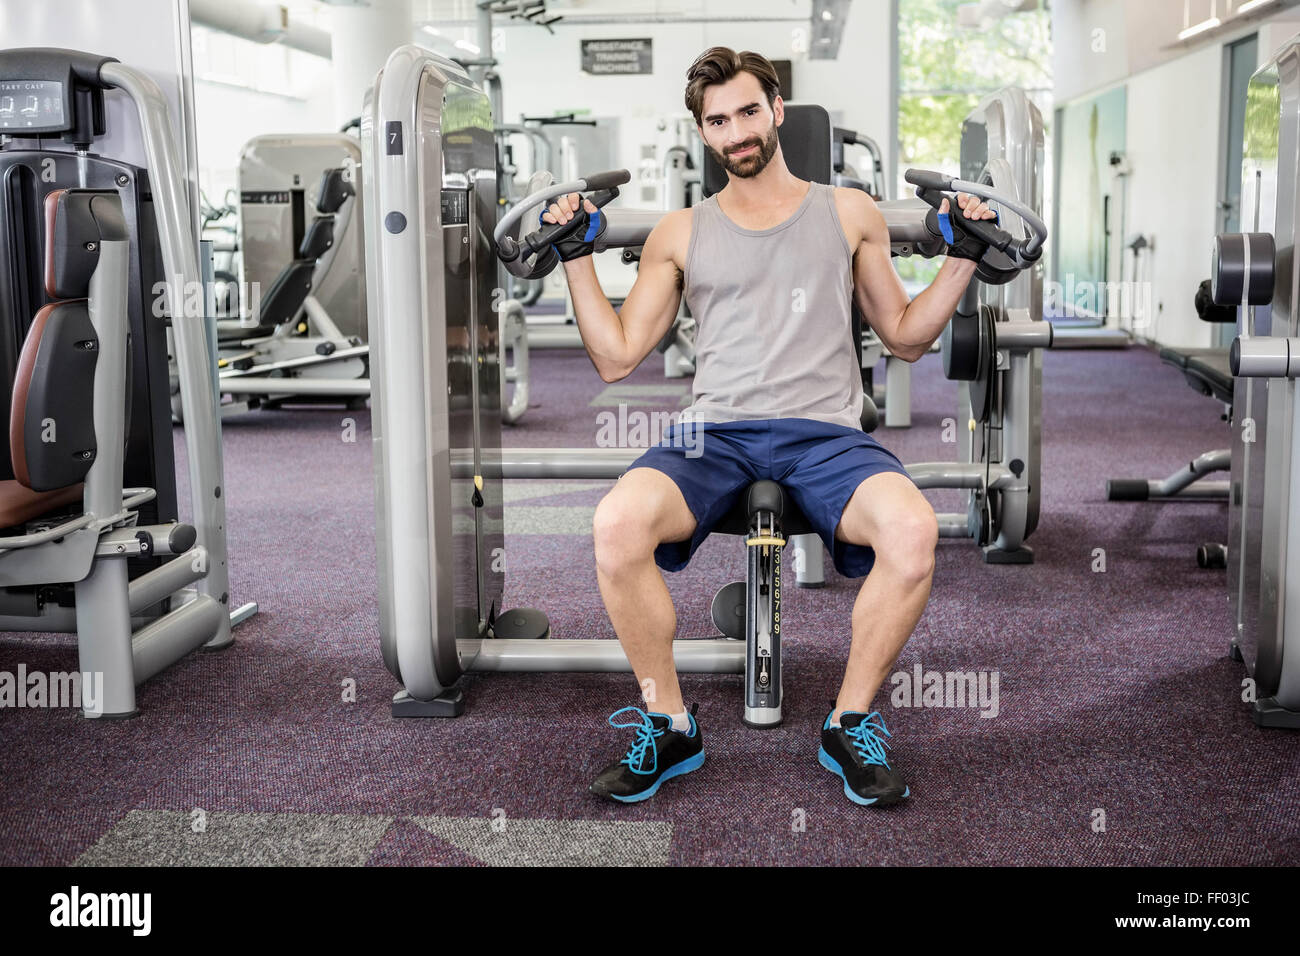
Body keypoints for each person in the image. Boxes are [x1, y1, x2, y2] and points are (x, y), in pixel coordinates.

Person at [541, 46, 997, 807]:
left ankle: (849, 722)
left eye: (749, 112)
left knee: (915, 533)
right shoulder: (680, 232)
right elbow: (617, 358)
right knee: (616, 525)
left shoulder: (848, 211)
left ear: (777, 110)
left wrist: (964, 259)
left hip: (824, 433)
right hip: (711, 431)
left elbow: (906, 337)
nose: (736, 131)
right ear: (704, 134)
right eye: (717, 121)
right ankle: (669, 723)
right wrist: (575, 257)